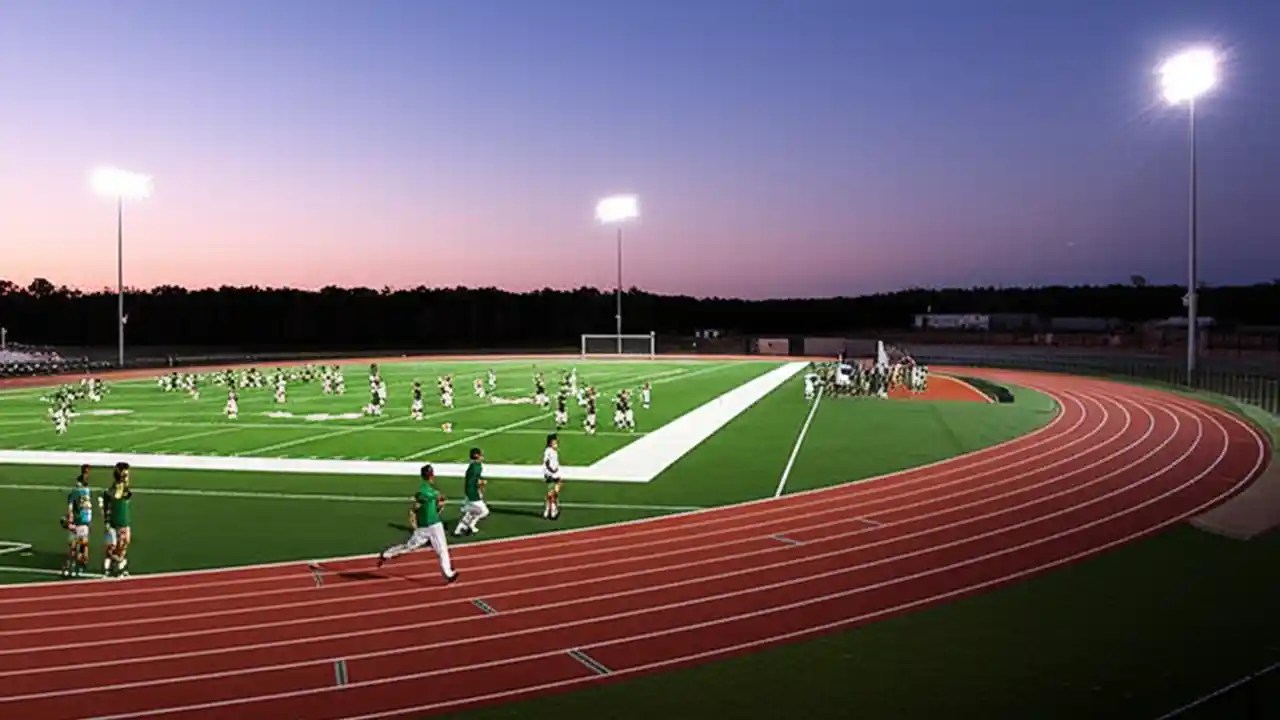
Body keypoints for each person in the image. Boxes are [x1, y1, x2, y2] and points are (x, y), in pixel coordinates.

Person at [377, 464, 458, 583]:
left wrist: (438, 506)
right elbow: (432, 500)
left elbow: (423, 507)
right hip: (431, 525)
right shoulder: (427, 492)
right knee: (439, 549)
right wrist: (439, 502)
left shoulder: (426, 491)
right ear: (431, 475)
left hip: (427, 525)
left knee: (411, 547)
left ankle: (387, 554)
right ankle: (447, 573)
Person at [100, 462, 134, 577]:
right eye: (126, 475)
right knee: (115, 546)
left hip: (125, 519)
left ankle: (119, 564)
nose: (128, 477)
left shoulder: (125, 488)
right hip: (117, 520)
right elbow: (112, 498)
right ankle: (115, 565)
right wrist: (107, 521)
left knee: (125, 542)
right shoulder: (114, 490)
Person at [62, 465, 93, 578]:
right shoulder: (85, 492)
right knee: (78, 546)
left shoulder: (77, 492)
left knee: (76, 547)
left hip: (80, 522)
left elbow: (71, 508)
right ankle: (72, 565)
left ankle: (73, 565)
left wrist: (69, 521)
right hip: (82, 522)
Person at [453, 448, 489, 536]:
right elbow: (473, 481)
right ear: (477, 456)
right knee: (484, 512)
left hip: (471, 491)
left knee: (471, 512)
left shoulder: (475, 466)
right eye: (480, 455)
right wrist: (481, 483)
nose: (482, 456)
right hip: (472, 493)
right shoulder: (475, 467)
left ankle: (458, 530)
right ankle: (470, 525)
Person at [543, 434, 562, 520]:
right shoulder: (548, 451)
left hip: (556, 473)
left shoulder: (554, 451)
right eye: (554, 441)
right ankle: (551, 510)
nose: (556, 442)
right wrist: (551, 470)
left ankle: (549, 509)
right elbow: (546, 462)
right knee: (552, 492)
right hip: (551, 474)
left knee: (555, 491)